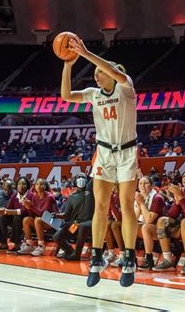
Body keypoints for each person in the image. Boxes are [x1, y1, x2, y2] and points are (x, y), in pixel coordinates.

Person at [61, 35, 139, 287]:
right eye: (94, 72)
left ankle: (129, 258)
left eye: (100, 72)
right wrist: (68, 64)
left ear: (113, 73)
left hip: (127, 152)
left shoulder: (126, 88)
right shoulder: (93, 94)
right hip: (104, 152)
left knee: (126, 205)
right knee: (101, 207)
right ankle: (96, 258)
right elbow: (65, 95)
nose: (96, 75)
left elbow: (111, 70)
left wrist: (85, 53)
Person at [53, 173, 94, 261]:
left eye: (83, 177)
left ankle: (77, 255)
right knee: (57, 236)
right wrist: (57, 215)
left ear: (87, 180)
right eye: (79, 177)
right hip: (75, 224)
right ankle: (70, 251)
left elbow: (95, 177)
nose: (81, 179)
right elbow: (66, 214)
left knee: (83, 226)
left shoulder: (90, 190)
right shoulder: (71, 196)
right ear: (75, 181)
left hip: (90, 222)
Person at [17, 178, 58, 256]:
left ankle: (41, 247)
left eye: (41, 184)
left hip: (55, 222)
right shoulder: (35, 197)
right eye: (37, 184)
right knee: (26, 219)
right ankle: (29, 245)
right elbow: (33, 214)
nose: (39, 186)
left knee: (38, 220)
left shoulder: (50, 197)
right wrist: (27, 207)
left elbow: (43, 214)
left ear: (45, 186)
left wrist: (31, 206)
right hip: (42, 220)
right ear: (34, 186)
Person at [0, 177, 33, 253]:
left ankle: (17, 244)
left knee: (17, 217)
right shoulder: (15, 195)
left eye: (24, 184)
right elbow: (9, 207)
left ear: (27, 185)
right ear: (16, 185)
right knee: (2, 218)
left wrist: (12, 211)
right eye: (19, 184)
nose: (21, 186)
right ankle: (3, 243)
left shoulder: (30, 195)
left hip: (26, 219)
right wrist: (3, 210)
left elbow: (25, 210)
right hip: (15, 218)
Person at [136, 176, 165, 270]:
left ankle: (149, 258)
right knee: (130, 227)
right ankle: (129, 256)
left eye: (145, 183)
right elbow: (135, 219)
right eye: (140, 183)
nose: (142, 186)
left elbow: (149, 220)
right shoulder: (139, 197)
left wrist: (142, 204)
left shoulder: (157, 198)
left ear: (151, 186)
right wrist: (140, 204)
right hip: (149, 228)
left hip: (162, 230)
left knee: (146, 227)